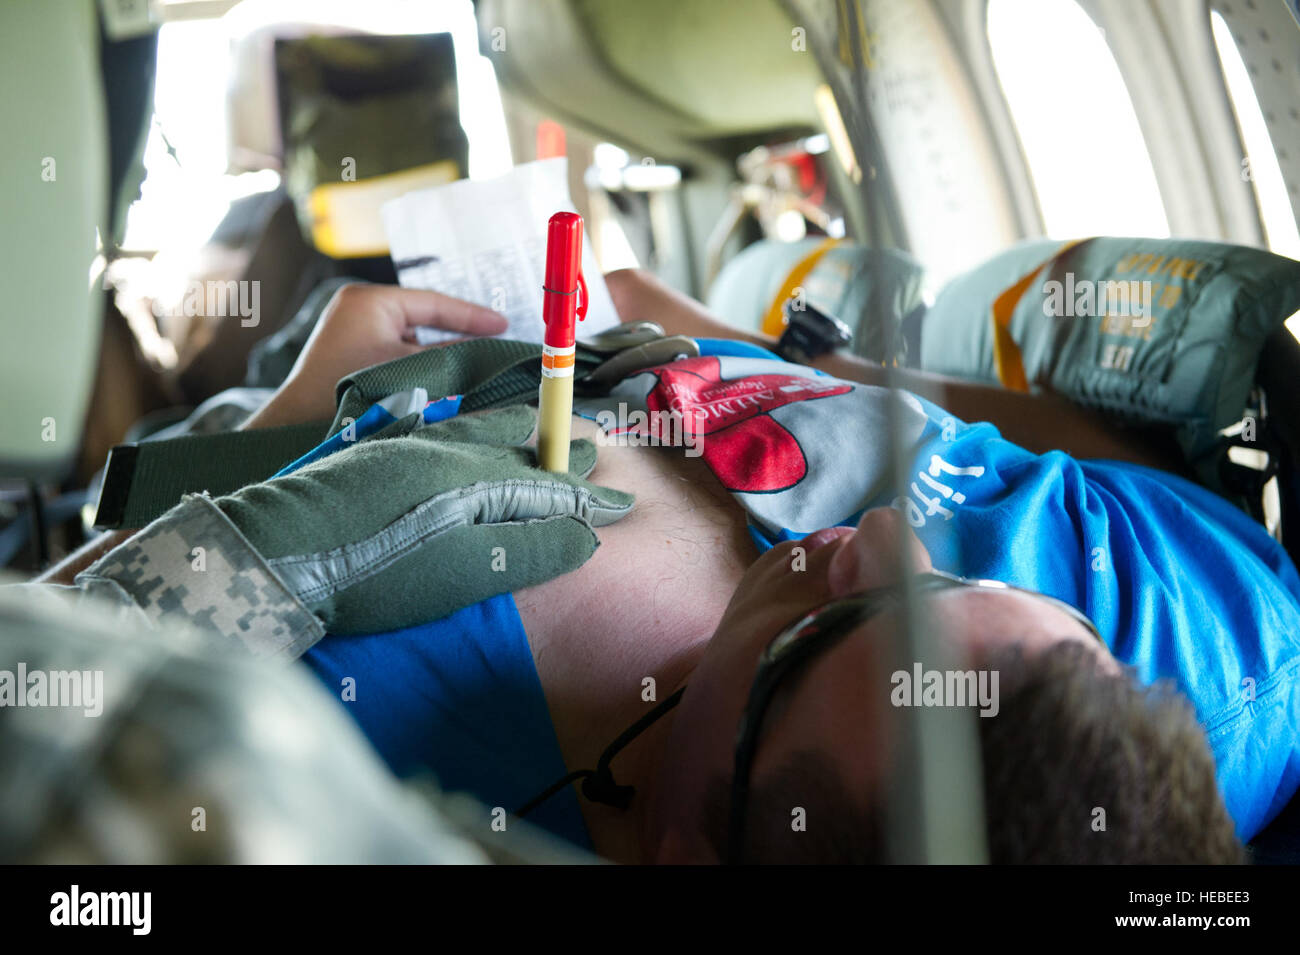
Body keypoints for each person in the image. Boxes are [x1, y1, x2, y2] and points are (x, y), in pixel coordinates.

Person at [37, 271, 1297, 864]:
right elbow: (1048, 453)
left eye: (829, 633)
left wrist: (259, 487)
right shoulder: (1233, 654)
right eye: (973, 587)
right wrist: (715, 328)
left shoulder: (304, 772)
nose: (885, 541)